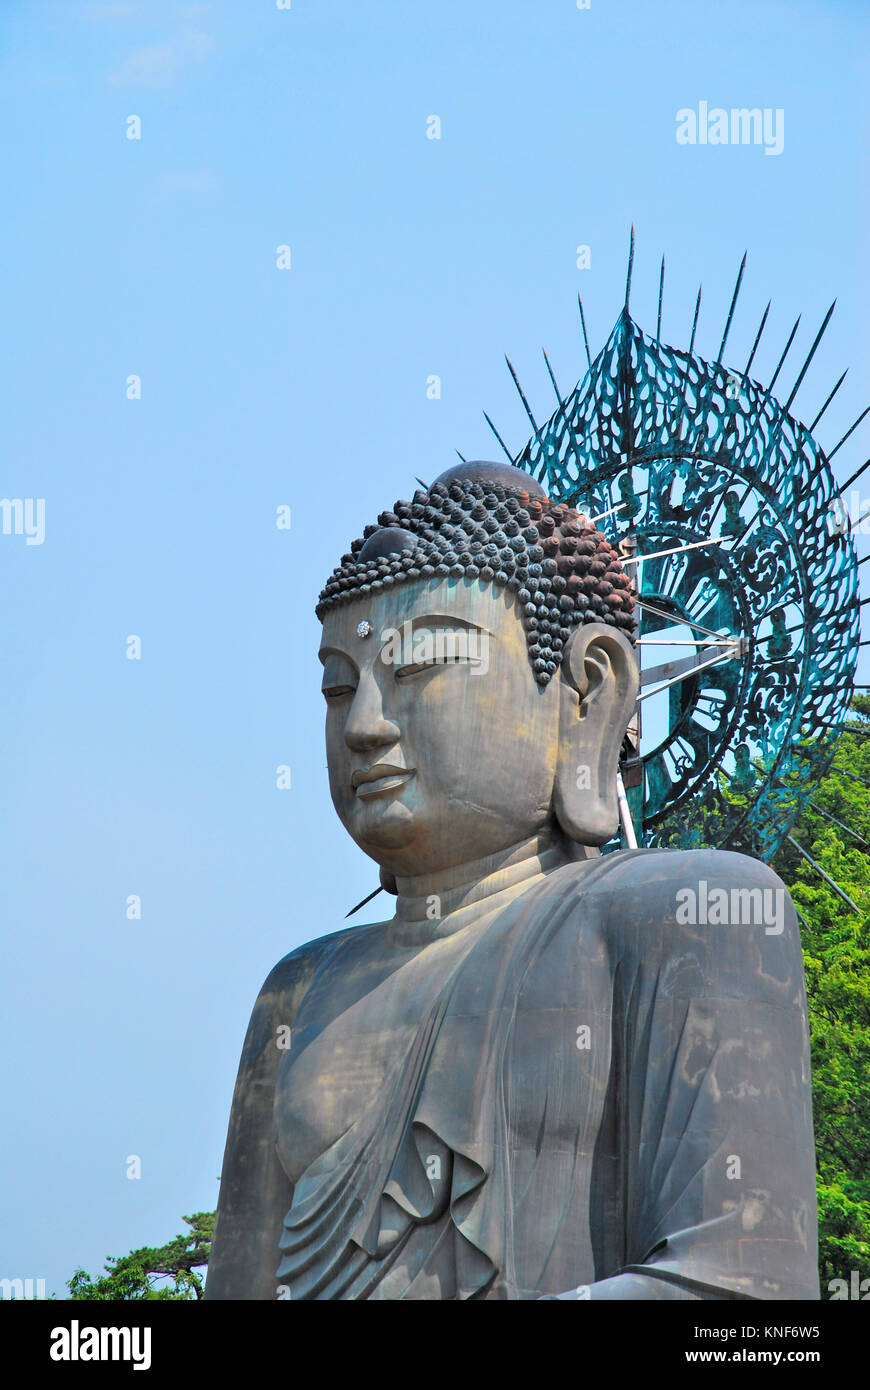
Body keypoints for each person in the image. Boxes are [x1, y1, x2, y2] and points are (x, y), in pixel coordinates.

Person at [205, 461, 818, 1301]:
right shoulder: (300, 992)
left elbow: (746, 1305)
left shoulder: (690, 917)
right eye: (338, 687)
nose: (364, 725)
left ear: (589, 691)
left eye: (421, 668)